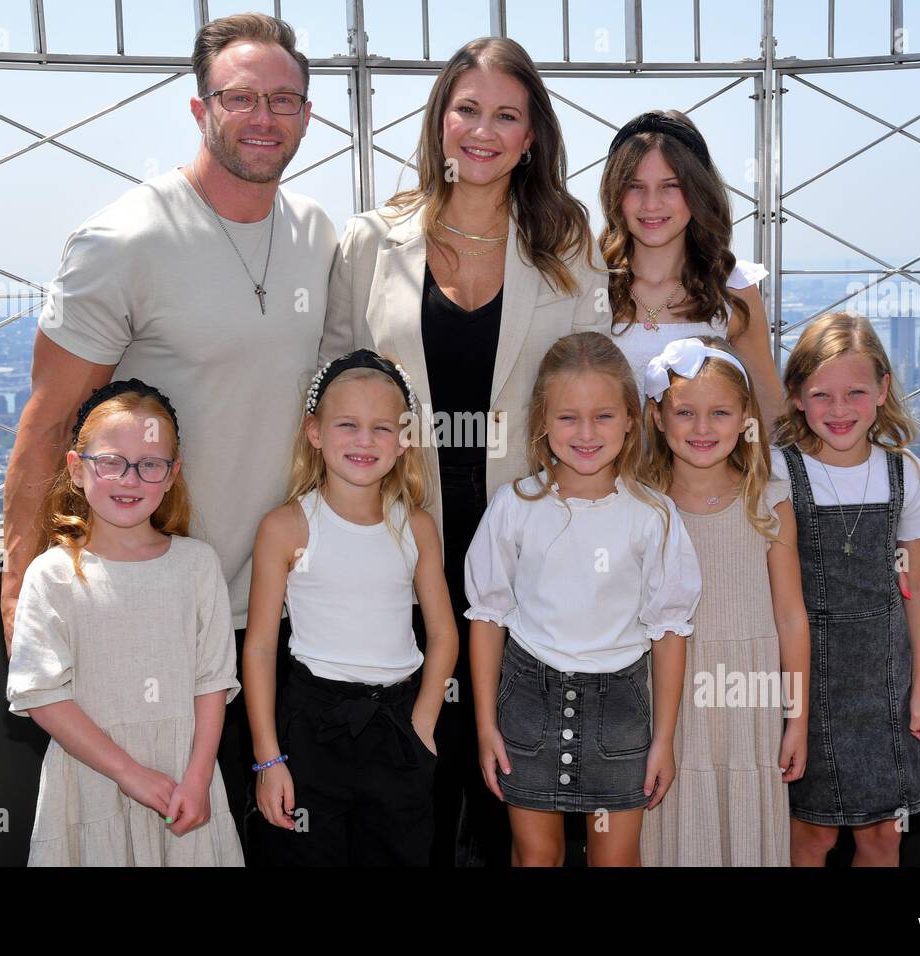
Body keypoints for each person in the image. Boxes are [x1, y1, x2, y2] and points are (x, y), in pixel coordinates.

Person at [0, 13, 336, 834]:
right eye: (242, 97)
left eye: (285, 99)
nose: (265, 117)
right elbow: (45, 431)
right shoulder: (124, 240)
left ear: (307, 114)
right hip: (146, 622)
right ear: (198, 110)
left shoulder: (319, 236)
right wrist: (17, 590)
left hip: (287, 621)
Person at [319, 35, 609, 867]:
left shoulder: (567, 248)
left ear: (531, 137)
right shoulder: (371, 242)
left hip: (528, 556)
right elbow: (336, 386)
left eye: (506, 115)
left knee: (512, 790)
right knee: (406, 787)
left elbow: (595, 394)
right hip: (391, 547)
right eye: (468, 109)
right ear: (441, 120)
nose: (483, 130)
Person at [463, 332, 701, 866]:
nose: (587, 433)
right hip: (526, 709)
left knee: (616, 861)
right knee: (534, 857)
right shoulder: (514, 506)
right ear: (543, 423)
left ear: (632, 422)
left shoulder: (654, 515)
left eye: (604, 417)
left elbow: (669, 632)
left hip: (620, 716)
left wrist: (663, 740)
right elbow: (488, 617)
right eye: (568, 417)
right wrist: (485, 726)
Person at [6, 379, 243, 866]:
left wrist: (198, 779)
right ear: (76, 469)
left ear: (172, 473)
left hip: (186, 784)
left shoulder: (197, 565)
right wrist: (127, 772)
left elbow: (212, 683)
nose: (129, 479)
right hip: (90, 784)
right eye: (110, 462)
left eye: (150, 464)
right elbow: (43, 695)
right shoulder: (51, 575)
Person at [243, 350, 459, 865]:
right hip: (310, 729)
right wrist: (267, 757)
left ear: (405, 439)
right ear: (314, 432)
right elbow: (258, 648)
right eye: (348, 425)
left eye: (382, 428)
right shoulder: (286, 526)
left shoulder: (418, 526)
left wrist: (423, 723)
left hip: (398, 729)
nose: (365, 440)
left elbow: (445, 635)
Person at [771, 312, 920, 867]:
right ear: (797, 396)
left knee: (881, 835)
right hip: (804, 682)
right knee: (811, 835)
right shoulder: (779, 473)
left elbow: (917, 583)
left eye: (855, 392)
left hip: (884, 687)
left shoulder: (908, 474)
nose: (840, 410)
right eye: (822, 395)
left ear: (883, 391)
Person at [636, 336, 809, 866]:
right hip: (669, 689)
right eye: (685, 412)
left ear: (744, 419)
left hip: (749, 693)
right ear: (658, 418)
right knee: (674, 819)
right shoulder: (642, 503)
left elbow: (790, 614)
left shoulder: (769, 500)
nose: (703, 428)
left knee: (744, 827)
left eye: (719, 412)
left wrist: (797, 717)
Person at [600, 110, 784, 427]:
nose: (651, 203)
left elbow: (768, 414)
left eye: (670, 185)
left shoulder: (734, 290)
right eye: (635, 186)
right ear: (615, 194)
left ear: (698, 191)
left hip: (708, 478)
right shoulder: (588, 284)